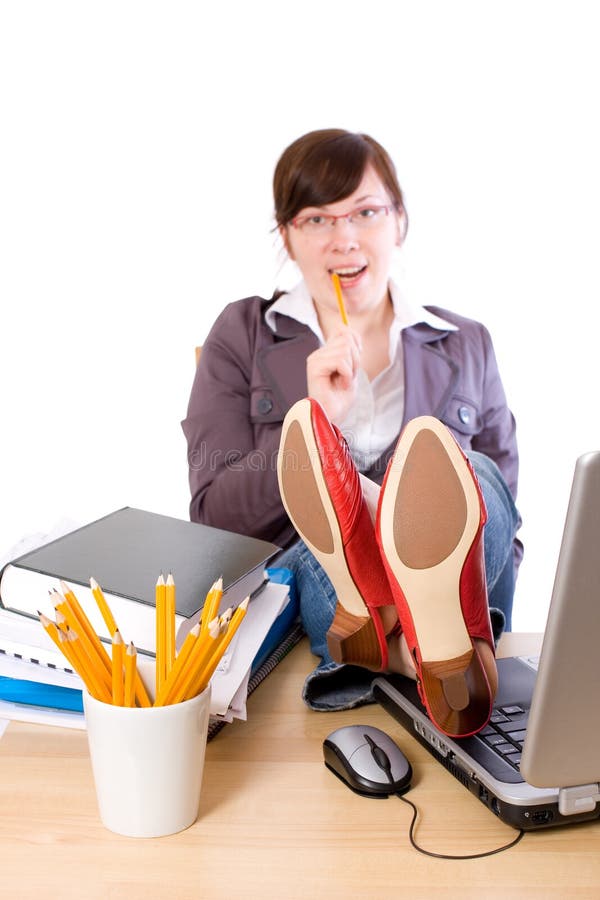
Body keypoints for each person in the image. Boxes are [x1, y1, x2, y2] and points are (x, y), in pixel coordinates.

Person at [182, 128, 521, 728]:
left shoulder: (467, 343)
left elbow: (506, 517)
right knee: (326, 546)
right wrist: (312, 420)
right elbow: (213, 517)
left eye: (365, 211)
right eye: (317, 219)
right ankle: (447, 660)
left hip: (439, 586)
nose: (343, 238)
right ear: (287, 235)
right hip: (308, 583)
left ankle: (388, 638)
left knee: (475, 477)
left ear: (399, 222)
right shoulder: (243, 334)